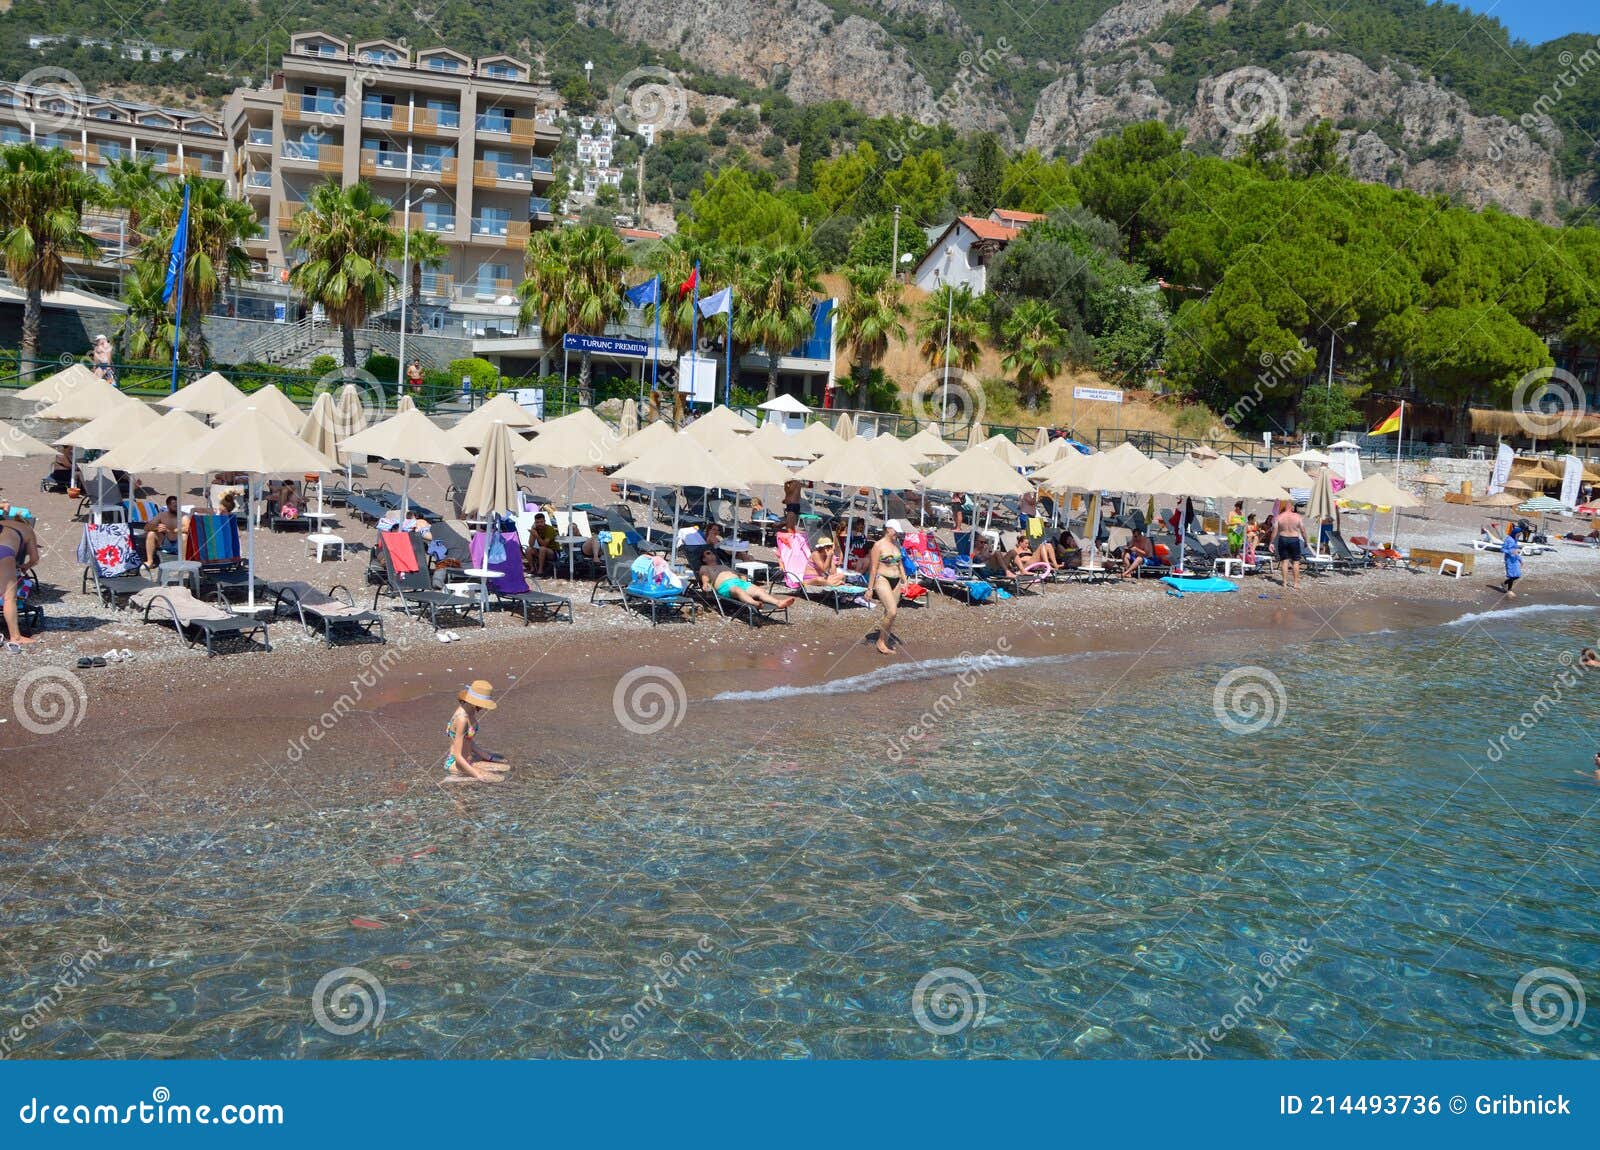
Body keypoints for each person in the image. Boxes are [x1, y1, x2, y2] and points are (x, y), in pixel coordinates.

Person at [443, 680, 509, 783]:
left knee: (507, 768)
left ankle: (461, 778)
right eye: (483, 704)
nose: (484, 707)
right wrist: (477, 775)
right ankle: (453, 779)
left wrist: (489, 757)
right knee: (499, 779)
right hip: (457, 763)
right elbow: (457, 755)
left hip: (468, 759)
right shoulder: (462, 719)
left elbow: (468, 741)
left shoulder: (469, 710)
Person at [698, 549, 795, 612]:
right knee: (738, 590)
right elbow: (704, 576)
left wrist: (746, 579)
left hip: (739, 582)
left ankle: (779, 603)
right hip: (725, 586)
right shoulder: (705, 567)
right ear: (704, 559)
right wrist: (706, 583)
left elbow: (738, 574)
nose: (712, 554)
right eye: (708, 553)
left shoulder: (723, 566)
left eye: (711, 552)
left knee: (759, 590)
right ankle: (754, 604)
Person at [1, 511, 41, 648]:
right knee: (8, 597)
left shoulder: (2, 523)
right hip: (4, 553)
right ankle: (15, 637)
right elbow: (35, 559)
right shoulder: (27, 529)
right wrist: (25, 566)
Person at [867, 520, 907, 656]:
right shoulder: (878, 546)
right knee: (892, 612)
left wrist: (905, 581)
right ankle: (880, 641)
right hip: (882, 579)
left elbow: (900, 564)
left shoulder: (896, 545)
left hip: (896, 582)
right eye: (896, 531)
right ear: (889, 530)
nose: (897, 534)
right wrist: (870, 588)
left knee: (888, 614)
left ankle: (884, 640)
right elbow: (873, 568)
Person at [1270, 500, 1307, 591]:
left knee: (1284, 561)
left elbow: (1274, 531)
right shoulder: (1297, 516)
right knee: (1295, 562)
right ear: (1292, 507)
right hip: (1294, 539)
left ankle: (1285, 582)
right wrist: (1306, 540)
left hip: (1283, 538)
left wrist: (1271, 542)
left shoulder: (1279, 517)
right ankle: (1295, 583)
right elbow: (1302, 530)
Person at [142, 496, 182, 570]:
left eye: (178, 505)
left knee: (185, 535)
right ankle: (150, 562)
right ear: (168, 506)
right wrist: (157, 528)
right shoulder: (162, 515)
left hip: (179, 544)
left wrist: (168, 530)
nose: (177, 507)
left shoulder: (184, 516)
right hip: (166, 543)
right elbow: (146, 527)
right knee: (151, 533)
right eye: (174, 505)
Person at [524, 512, 557, 577]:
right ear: (535, 523)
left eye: (541, 522)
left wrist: (536, 535)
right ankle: (532, 568)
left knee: (542, 548)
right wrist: (532, 533)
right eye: (537, 522)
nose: (539, 524)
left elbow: (544, 544)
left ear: (544, 521)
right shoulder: (536, 529)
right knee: (528, 549)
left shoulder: (549, 529)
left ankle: (540, 570)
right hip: (542, 550)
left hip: (553, 552)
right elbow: (531, 544)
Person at [1501, 523, 1524, 598]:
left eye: (1520, 534)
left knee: (1517, 575)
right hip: (1509, 560)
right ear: (1515, 533)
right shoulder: (1508, 539)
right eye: (1519, 534)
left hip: (1515, 559)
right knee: (1511, 575)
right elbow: (1502, 549)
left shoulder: (1515, 539)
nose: (1519, 535)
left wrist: (1520, 560)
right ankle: (1509, 590)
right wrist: (1511, 552)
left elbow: (1516, 550)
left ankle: (1504, 583)